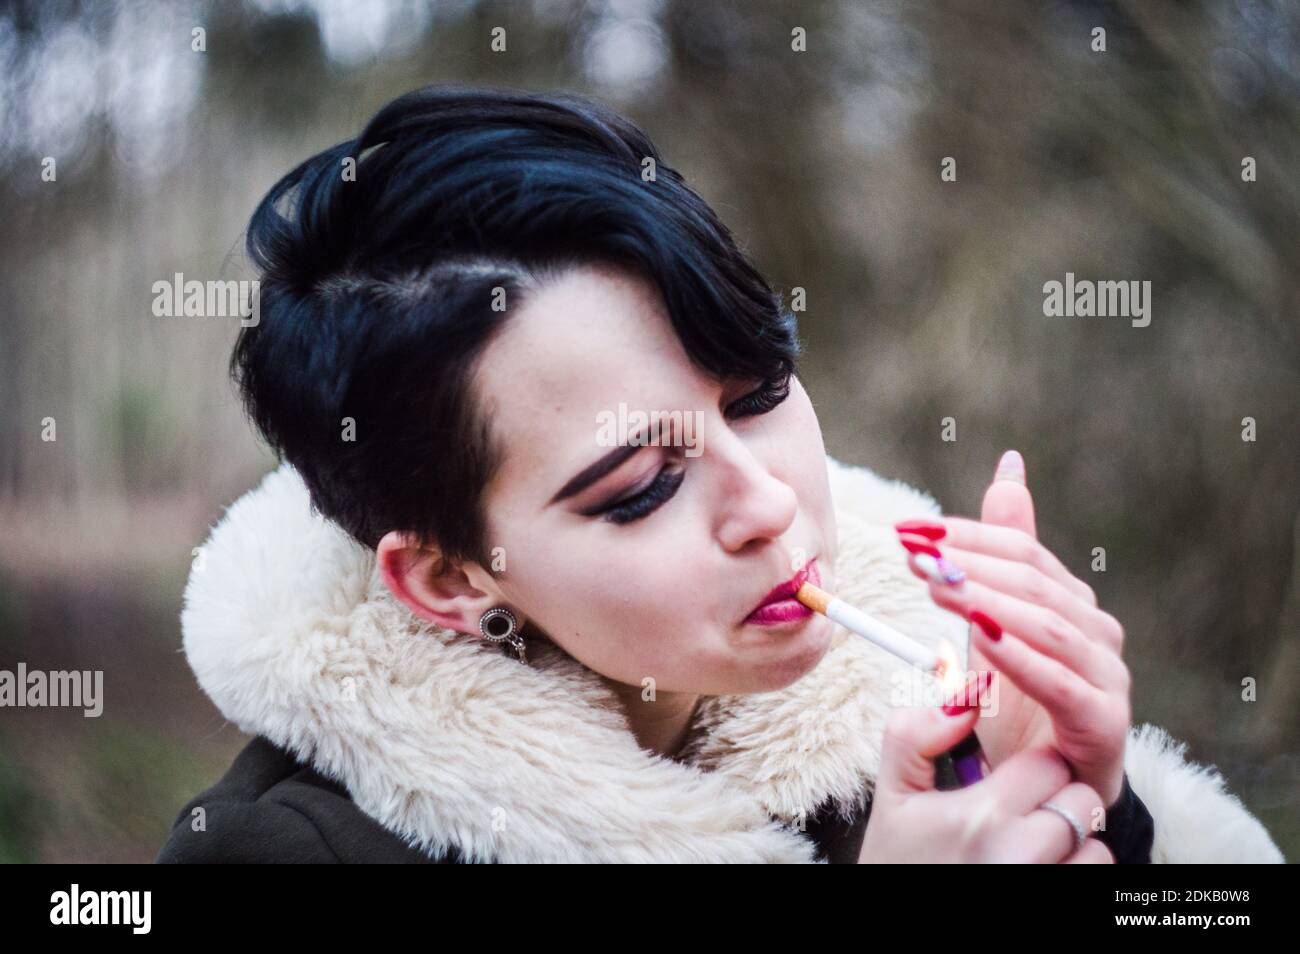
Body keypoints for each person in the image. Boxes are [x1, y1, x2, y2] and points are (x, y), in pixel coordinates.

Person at [156, 84, 1283, 864]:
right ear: (453, 581)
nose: (770, 502)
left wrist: (1094, 805)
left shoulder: (914, 712)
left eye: (758, 393)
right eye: (642, 485)